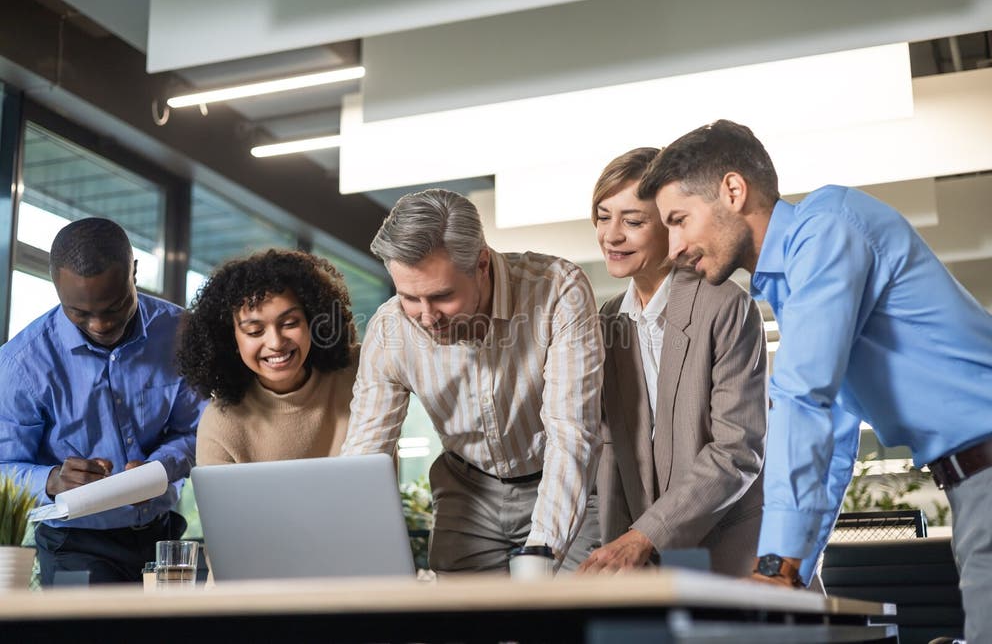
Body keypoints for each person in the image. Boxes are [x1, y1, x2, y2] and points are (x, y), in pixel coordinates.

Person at [639, 119, 992, 640]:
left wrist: (775, 565)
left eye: (679, 220)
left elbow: (802, 399)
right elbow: (834, 446)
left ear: (733, 191)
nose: (673, 247)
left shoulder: (827, 228)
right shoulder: (795, 281)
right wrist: (791, 573)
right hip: (972, 484)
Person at [343, 188, 603, 572]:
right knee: (463, 612)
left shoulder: (558, 289)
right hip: (467, 491)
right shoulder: (390, 327)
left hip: (557, 477)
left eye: (442, 296)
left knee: (572, 607)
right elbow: (365, 454)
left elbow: (572, 433)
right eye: (409, 298)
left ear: (482, 263)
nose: (427, 317)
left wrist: (541, 554)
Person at [576, 148, 766, 576]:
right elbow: (610, 454)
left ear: (670, 223)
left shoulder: (725, 305)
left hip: (727, 547)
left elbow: (737, 450)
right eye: (603, 217)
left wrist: (644, 536)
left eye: (632, 221)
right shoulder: (607, 321)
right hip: (645, 561)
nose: (611, 236)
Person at [0, 218, 204, 585]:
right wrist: (51, 480)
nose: (99, 325)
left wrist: (158, 468)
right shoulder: (22, 364)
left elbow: (199, 431)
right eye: (79, 312)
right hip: (73, 545)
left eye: (114, 307)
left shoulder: (180, 334)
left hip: (162, 537)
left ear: (134, 272)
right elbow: (3, 467)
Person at [177, 249, 358, 466]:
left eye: (290, 323)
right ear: (231, 339)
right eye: (254, 331)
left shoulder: (360, 371)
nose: (276, 343)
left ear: (313, 321)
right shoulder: (221, 424)